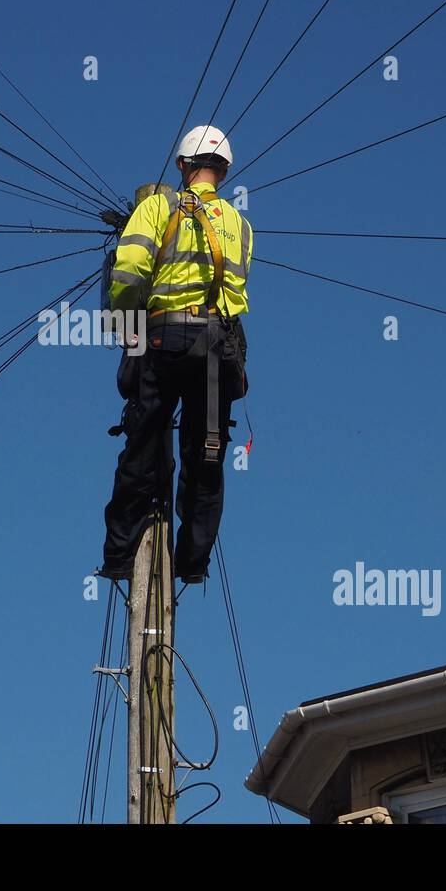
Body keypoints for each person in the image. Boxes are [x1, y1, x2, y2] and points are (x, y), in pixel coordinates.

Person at [100, 125, 252, 584]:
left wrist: (127, 328)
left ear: (182, 166)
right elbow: (234, 296)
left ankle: (120, 557)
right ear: (223, 171)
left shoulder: (157, 207)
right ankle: (192, 563)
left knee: (143, 444)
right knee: (207, 452)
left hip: (163, 337)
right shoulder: (239, 226)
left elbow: (128, 270)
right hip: (215, 347)